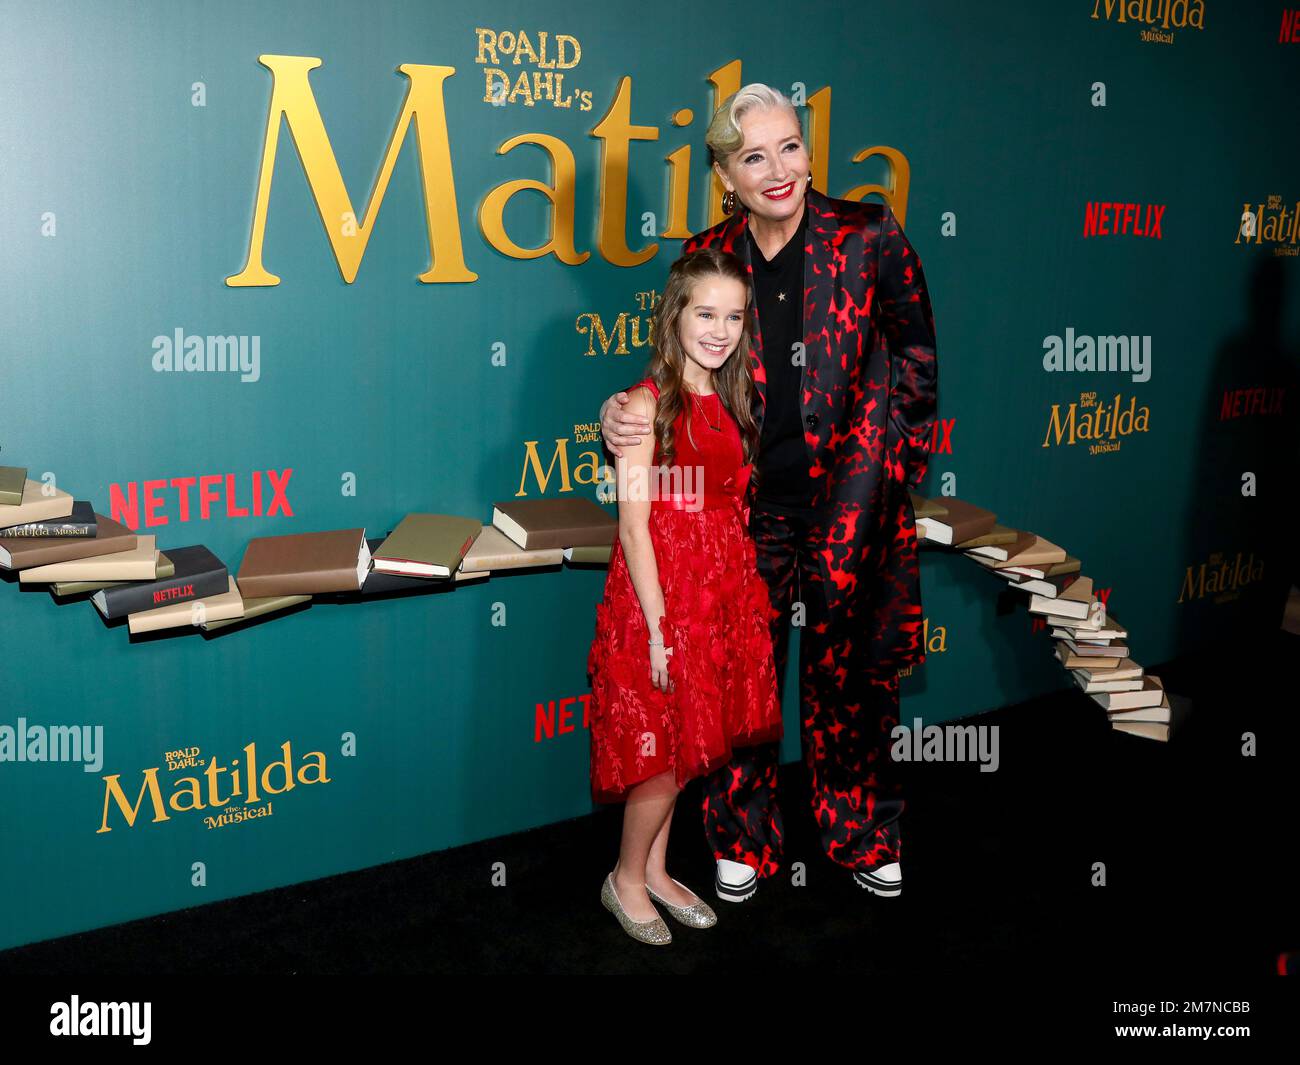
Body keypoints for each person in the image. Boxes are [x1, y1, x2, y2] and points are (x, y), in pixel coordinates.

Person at [599, 83, 939, 903]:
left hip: (852, 504)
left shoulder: (867, 235)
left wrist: (886, 474)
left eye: (789, 146)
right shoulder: (710, 248)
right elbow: (677, 372)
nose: (778, 168)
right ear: (725, 172)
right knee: (739, 677)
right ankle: (744, 837)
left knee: (853, 678)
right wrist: (618, 411)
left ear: (809, 150)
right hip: (746, 511)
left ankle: (861, 829)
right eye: (754, 155)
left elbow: (918, 358)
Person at [587, 246, 783, 946]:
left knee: (691, 742)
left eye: (733, 316)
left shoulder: (730, 396)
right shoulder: (643, 405)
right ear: (675, 316)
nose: (720, 329)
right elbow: (635, 525)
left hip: (718, 591)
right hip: (661, 593)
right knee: (662, 756)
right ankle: (625, 878)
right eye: (706, 313)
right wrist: (659, 627)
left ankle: (661, 871)